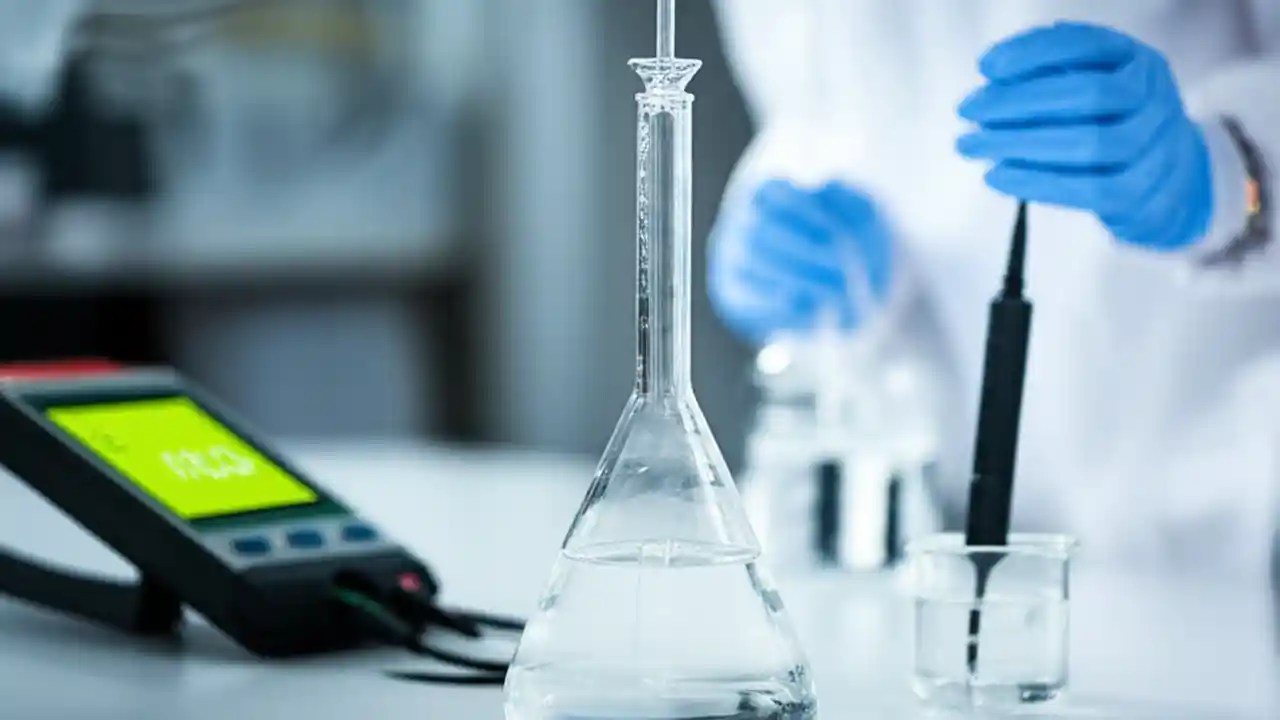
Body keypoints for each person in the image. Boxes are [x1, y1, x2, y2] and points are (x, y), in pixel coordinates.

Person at [709, 1, 1280, 580]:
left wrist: (1237, 171)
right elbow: (812, 97)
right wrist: (787, 209)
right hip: (921, 509)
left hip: (1213, 502)